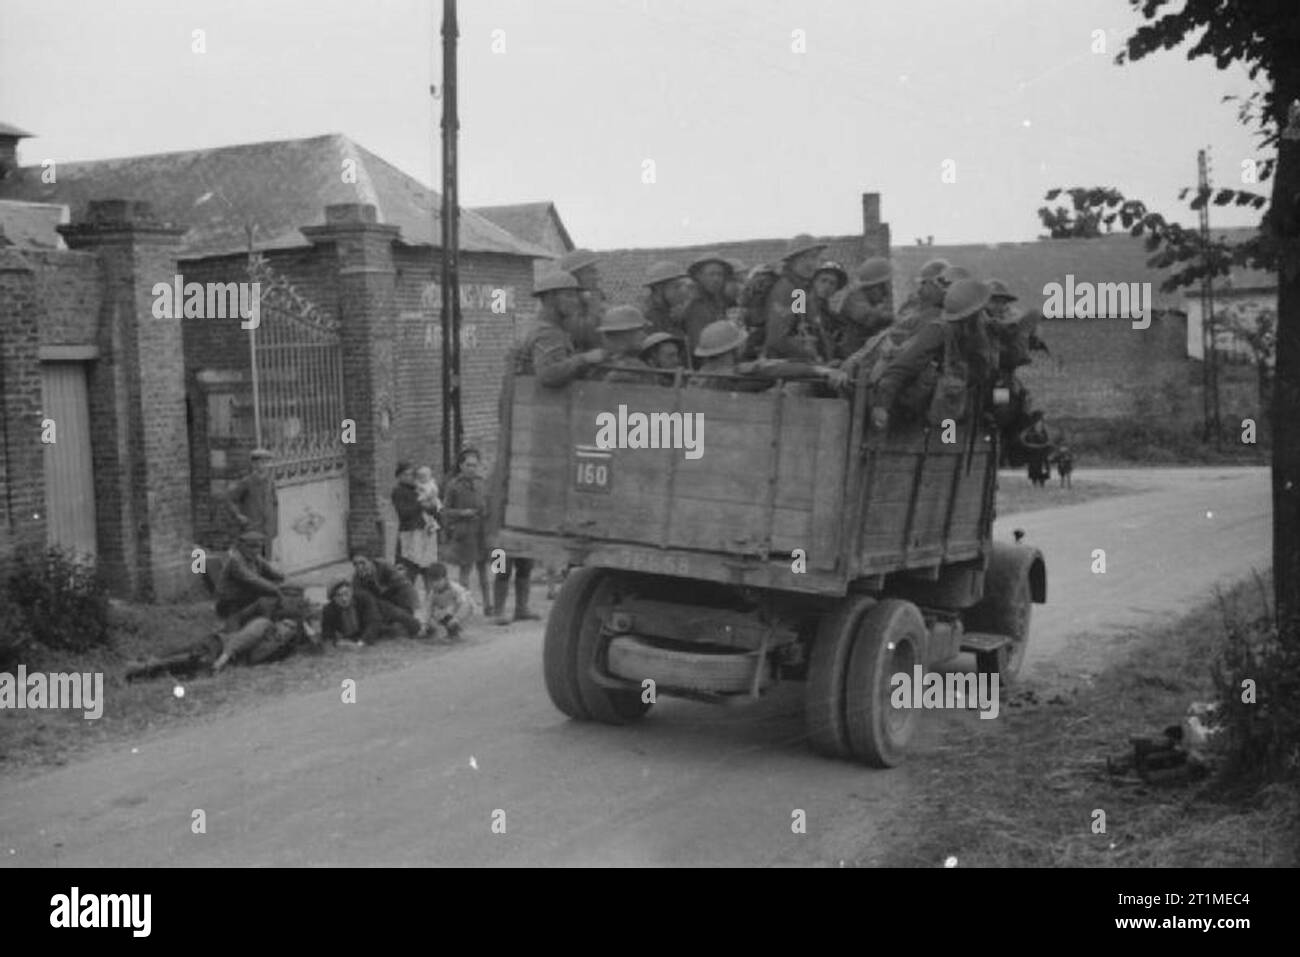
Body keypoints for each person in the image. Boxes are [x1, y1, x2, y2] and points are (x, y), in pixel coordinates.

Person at [871, 278, 998, 431]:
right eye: (980, 311)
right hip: (931, 409)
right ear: (971, 314)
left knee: (998, 399)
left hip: (954, 407)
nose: (985, 315)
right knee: (946, 437)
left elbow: (984, 369)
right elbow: (902, 365)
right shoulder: (939, 331)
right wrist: (881, 406)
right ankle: (946, 446)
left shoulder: (975, 335)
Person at [689, 320, 846, 393]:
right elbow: (770, 370)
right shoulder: (730, 376)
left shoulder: (698, 377)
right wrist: (820, 371)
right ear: (734, 349)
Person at [518, 270, 606, 387]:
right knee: (621, 403)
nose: (575, 301)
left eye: (575, 296)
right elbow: (548, 375)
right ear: (550, 298)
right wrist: (585, 358)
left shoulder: (552, 328)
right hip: (547, 403)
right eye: (569, 295)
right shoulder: (548, 333)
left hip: (549, 402)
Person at [763, 234, 836, 363]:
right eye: (808, 257)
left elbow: (800, 325)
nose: (813, 264)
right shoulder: (786, 289)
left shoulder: (799, 288)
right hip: (786, 368)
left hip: (801, 364)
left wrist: (825, 359)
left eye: (816, 258)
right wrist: (812, 356)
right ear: (793, 261)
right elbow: (778, 340)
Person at [441, 447, 493, 615]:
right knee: (466, 571)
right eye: (469, 465)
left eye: (475, 465)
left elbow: (489, 503)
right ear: (461, 466)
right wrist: (462, 513)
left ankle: (489, 605)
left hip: (482, 531)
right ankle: (465, 607)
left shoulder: (482, 482)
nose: (472, 468)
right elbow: (445, 511)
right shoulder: (454, 485)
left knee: (484, 570)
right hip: (465, 532)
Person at [391, 462, 439, 609]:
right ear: (399, 476)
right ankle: (408, 606)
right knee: (408, 573)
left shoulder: (419, 489)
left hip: (425, 534)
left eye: (412, 474)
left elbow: (434, 509)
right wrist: (420, 504)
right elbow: (404, 513)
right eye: (405, 474)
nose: (410, 477)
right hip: (410, 536)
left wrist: (431, 506)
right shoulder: (398, 492)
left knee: (428, 572)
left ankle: (430, 606)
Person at [829, 257, 894, 360]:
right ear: (874, 287)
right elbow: (870, 318)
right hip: (850, 357)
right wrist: (898, 318)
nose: (886, 294)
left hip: (862, 354)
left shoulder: (870, 300)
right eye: (884, 288)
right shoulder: (854, 299)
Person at [213, 531, 285, 621]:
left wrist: (283, 577)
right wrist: (275, 588)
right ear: (241, 547)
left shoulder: (256, 558)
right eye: (251, 546)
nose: (255, 550)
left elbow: (271, 572)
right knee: (266, 602)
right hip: (231, 602)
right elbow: (253, 580)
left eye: (258, 547)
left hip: (245, 597)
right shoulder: (236, 560)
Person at [678, 251, 736, 360]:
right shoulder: (695, 307)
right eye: (711, 274)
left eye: (720, 274)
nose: (716, 279)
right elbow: (698, 346)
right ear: (699, 277)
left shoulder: (723, 302)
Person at [351, 552, 423, 638]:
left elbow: (404, 585)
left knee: (404, 595)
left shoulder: (383, 566)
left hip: (398, 597)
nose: (359, 567)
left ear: (370, 561)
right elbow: (362, 600)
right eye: (355, 564)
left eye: (362, 563)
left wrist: (415, 608)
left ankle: (413, 623)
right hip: (381, 606)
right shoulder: (357, 580)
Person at [225, 448, 278, 558]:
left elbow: (274, 503)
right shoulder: (247, 482)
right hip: (252, 529)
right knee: (253, 560)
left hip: (267, 529)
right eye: (259, 462)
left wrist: (274, 525)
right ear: (253, 464)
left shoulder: (270, 482)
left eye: (265, 462)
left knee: (266, 561)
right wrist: (238, 516)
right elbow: (230, 498)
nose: (263, 466)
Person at [589, 305, 656, 383]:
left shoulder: (599, 362)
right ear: (622, 335)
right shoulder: (599, 362)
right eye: (639, 330)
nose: (645, 335)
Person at [557, 248, 606, 351]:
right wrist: (594, 307)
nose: (597, 277)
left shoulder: (592, 297)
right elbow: (589, 337)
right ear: (575, 276)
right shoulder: (567, 303)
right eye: (591, 272)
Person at [894, 258, 950, 337]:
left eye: (924, 283)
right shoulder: (918, 306)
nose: (919, 290)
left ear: (937, 284)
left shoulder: (937, 316)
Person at [321, 579, 386, 647]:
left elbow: (374, 622)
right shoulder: (328, 610)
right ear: (333, 599)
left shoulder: (364, 598)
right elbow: (327, 634)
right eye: (339, 595)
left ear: (351, 592)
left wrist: (361, 643)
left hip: (386, 620)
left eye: (346, 593)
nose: (344, 599)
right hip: (354, 636)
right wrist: (337, 643)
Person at [639, 261, 693, 337]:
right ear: (659, 289)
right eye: (676, 287)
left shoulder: (674, 313)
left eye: (682, 286)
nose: (683, 292)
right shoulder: (652, 320)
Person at [427, 562, 478, 640]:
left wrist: (457, 618)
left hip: (464, 610)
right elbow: (429, 609)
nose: (435, 584)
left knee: (451, 618)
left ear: (445, 578)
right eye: (432, 581)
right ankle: (446, 632)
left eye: (438, 580)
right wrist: (430, 620)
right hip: (449, 611)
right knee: (435, 619)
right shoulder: (433, 593)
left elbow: (465, 604)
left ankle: (455, 633)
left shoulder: (454, 588)